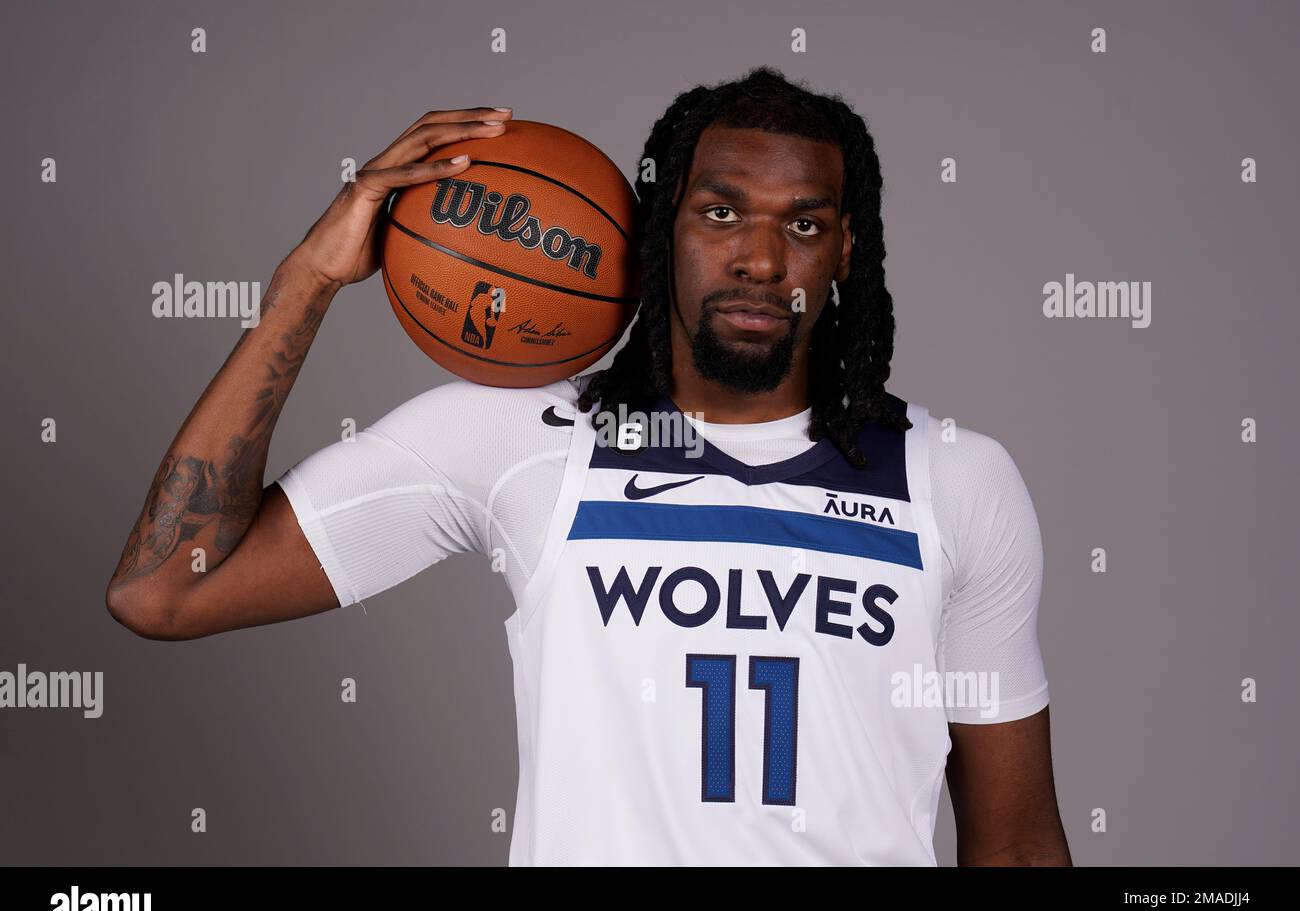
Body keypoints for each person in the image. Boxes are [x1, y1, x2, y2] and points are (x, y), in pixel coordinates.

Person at [107, 67, 1071, 866]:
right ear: (661, 238)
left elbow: (1017, 848)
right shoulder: (526, 440)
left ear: (846, 252)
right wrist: (306, 283)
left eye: (805, 224)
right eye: (722, 213)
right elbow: (165, 593)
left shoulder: (952, 481)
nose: (762, 258)